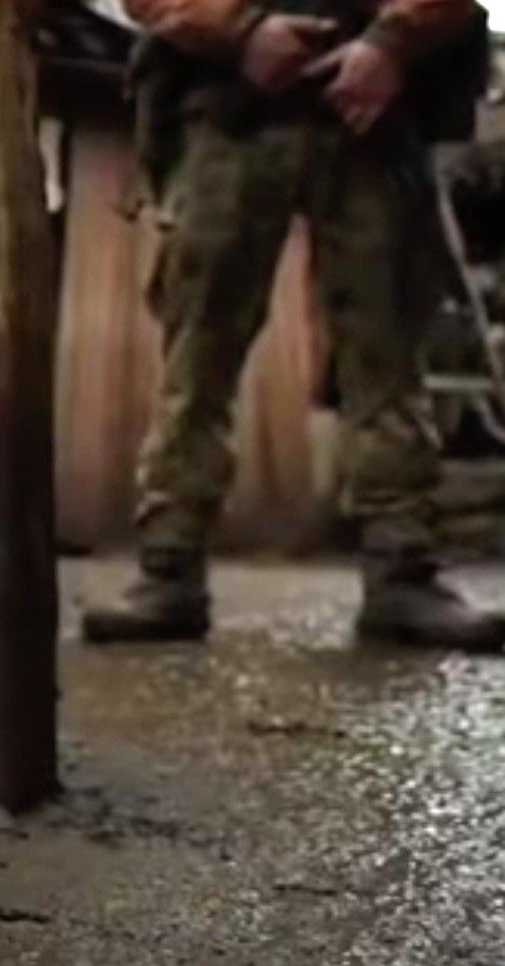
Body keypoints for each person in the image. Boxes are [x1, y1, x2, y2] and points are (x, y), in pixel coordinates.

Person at [85, 0, 505, 649]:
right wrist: (239, 33)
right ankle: (168, 567)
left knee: (386, 353)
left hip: (373, 118)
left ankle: (401, 569)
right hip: (229, 109)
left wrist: (391, 43)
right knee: (198, 353)